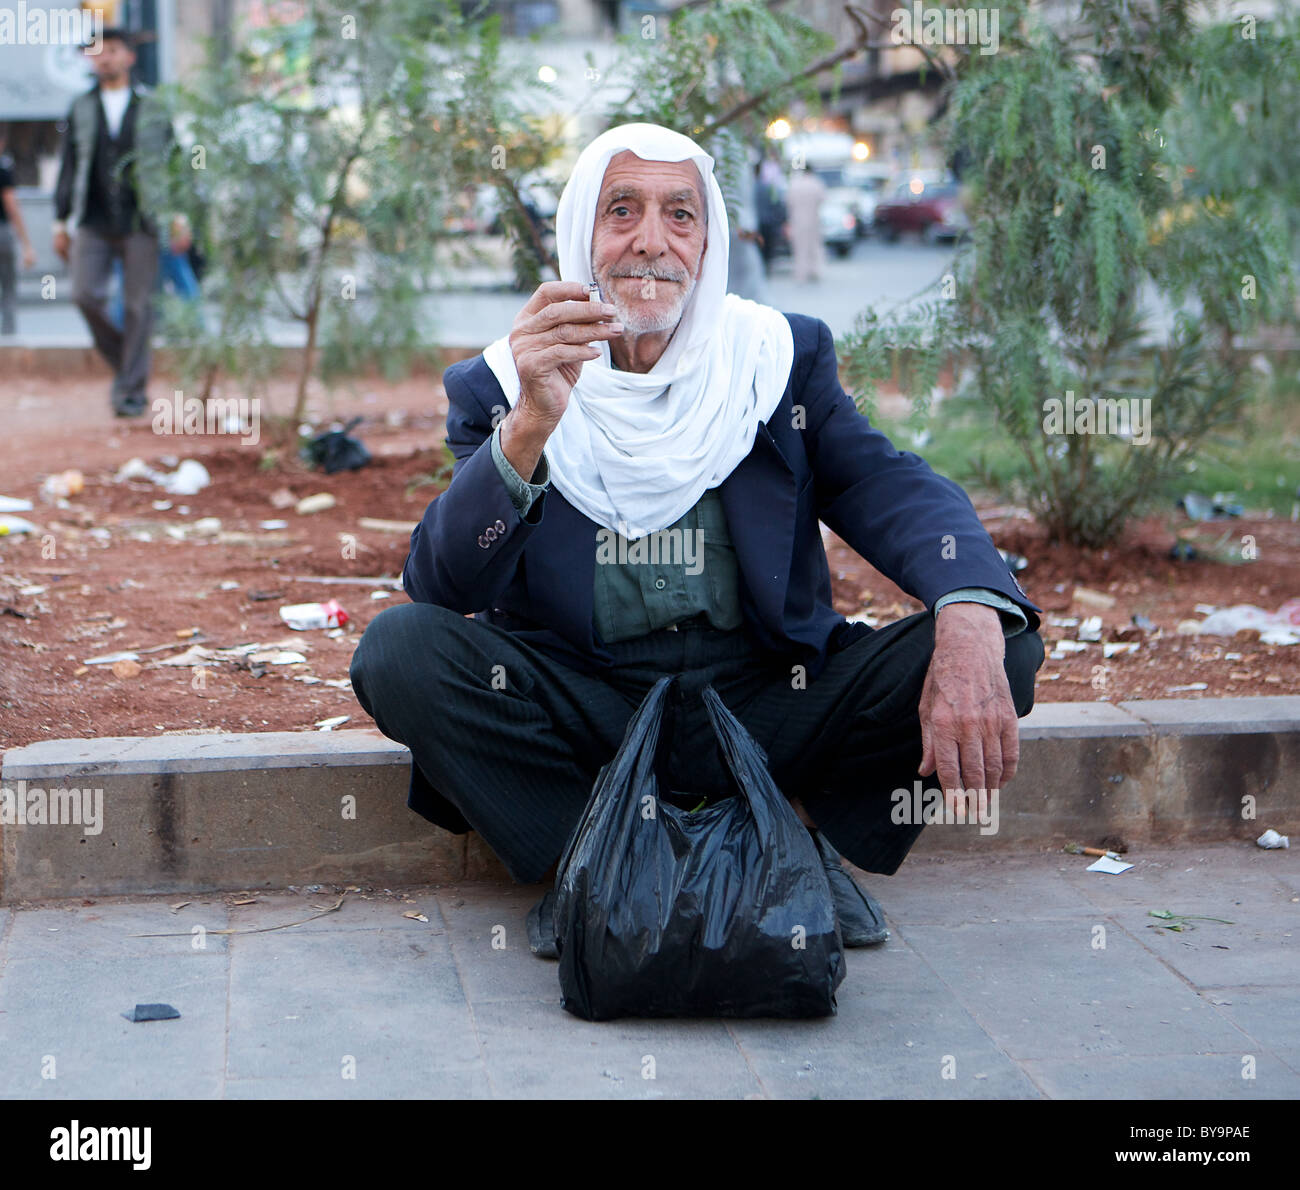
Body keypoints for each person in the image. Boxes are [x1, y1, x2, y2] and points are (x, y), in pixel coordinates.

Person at [350, 123, 1044, 959]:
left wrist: (966, 607)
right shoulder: (504, 380)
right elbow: (442, 583)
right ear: (582, 234)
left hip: (766, 697)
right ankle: (593, 860)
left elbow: (886, 484)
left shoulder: (775, 358)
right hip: (590, 704)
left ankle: (789, 844)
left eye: (681, 214)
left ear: (709, 241)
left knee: (997, 640)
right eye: (622, 212)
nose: (651, 240)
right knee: (399, 652)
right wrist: (533, 422)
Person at [52, 27, 189, 416]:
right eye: (97, 52)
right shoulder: (79, 107)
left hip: (140, 221)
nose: (104, 57)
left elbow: (174, 162)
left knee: (138, 307)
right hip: (92, 220)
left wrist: (178, 214)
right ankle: (129, 366)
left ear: (129, 56)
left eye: (112, 50)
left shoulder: (154, 107)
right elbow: (69, 165)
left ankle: (129, 392)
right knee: (84, 295)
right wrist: (59, 221)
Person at [0, 135, 37, 336]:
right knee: (7, 285)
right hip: (2, 233)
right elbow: (12, 206)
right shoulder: (3, 170)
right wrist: (26, 244)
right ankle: (7, 335)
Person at [786, 160, 826, 284]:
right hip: (814, 219)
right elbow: (823, 199)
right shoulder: (816, 183)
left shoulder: (795, 184)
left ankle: (801, 273)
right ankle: (815, 271)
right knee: (814, 247)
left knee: (799, 248)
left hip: (797, 220)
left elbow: (788, 202)